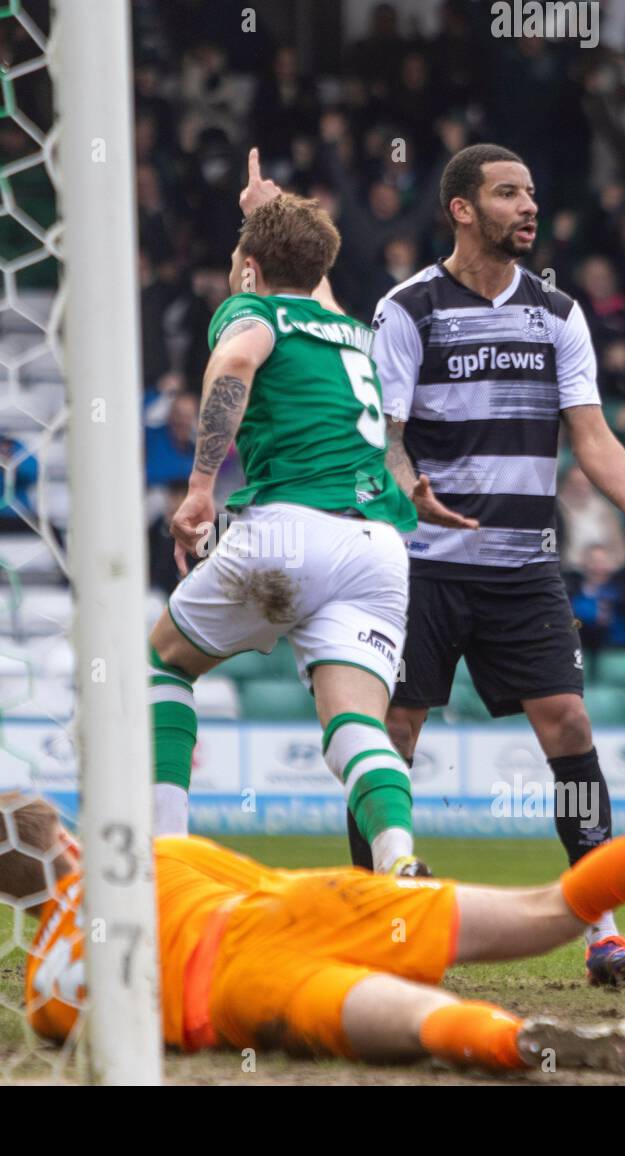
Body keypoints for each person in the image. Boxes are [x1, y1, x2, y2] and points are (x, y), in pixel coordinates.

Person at [0, 761, 625, 1073]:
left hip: (234, 990)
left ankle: (515, 1045)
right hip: (293, 904)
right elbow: (247, 879)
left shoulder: (43, 992)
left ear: (6, 895)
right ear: (69, 839)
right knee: (554, 906)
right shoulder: (153, 853)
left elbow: (92, 1036)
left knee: (417, 1028)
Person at [369, 142, 625, 984]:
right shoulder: (409, 310)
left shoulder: (556, 312)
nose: (529, 208)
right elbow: (389, 438)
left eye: (533, 194)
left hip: (523, 567)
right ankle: (379, 925)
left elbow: (590, 432)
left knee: (571, 726)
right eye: (508, 193)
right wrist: (411, 493)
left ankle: (603, 930)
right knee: (394, 734)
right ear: (462, 208)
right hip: (423, 566)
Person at [148, 150, 434, 877]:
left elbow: (237, 361)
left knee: (161, 666)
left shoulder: (251, 310)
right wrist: (268, 217)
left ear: (247, 265)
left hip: (288, 530)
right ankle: (400, 862)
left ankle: (165, 857)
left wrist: (201, 485)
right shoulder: (351, 333)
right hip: (376, 546)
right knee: (354, 727)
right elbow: (311, 281)